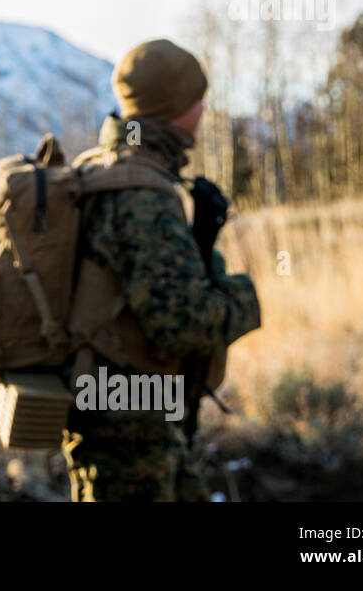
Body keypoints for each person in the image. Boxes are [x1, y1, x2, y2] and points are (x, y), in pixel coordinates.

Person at [58, 38, 260, 502]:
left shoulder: (106, 166)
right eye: (196, 99)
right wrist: (244, 297)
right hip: (125, 422)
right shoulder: (140, 192)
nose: (203, 109)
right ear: (175, 109)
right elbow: (183, 326)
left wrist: (200, 240)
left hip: (131, 409)